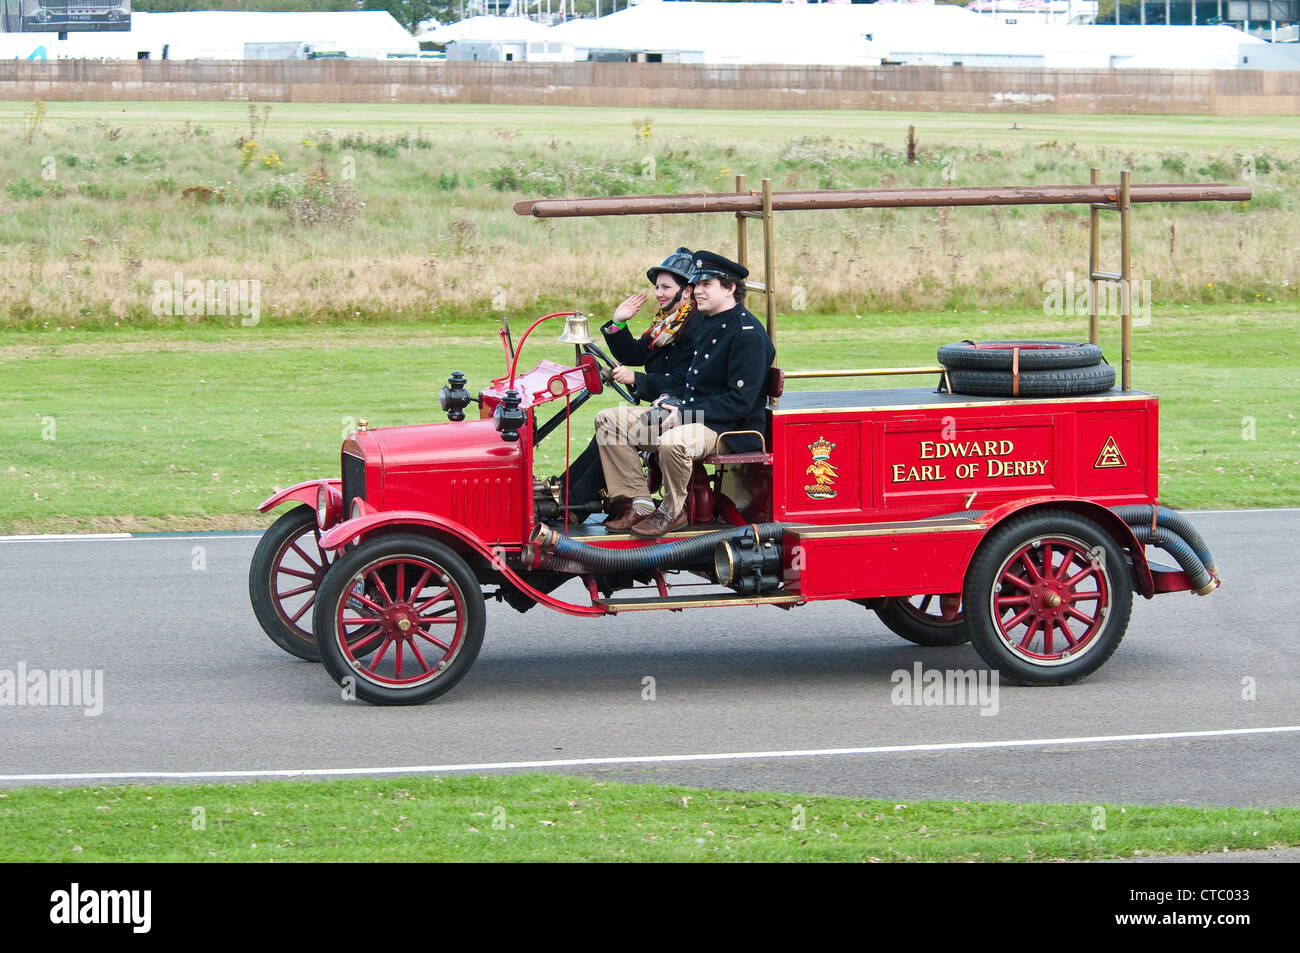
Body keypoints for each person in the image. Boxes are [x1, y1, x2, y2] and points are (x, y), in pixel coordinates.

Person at [598, 250, 775, 537]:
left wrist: (682, 414)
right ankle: (640, 501)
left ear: (729, 288)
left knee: (673, 443)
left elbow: (739, 402)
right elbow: (687, 380)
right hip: (692, 415)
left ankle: (671, 511)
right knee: (610, 422)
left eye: (706, 285)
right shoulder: (704, 322)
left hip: (728, 428)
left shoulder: (747, 334)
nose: (697, 292)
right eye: (696, 285)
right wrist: (670, 400)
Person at [556, 247, 699, 515]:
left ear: (687, 291)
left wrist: (637, 378)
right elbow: (633, 353)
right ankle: (564, 493)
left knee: (613, 433)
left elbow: (682, 381)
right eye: (657, 287)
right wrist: (618, 323)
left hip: (682, 412)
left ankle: (573, 503)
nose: (659, 293)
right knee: (605, 433)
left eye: (666, 287)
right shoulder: (668, 323)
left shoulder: (693, 326)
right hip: (663, 407)